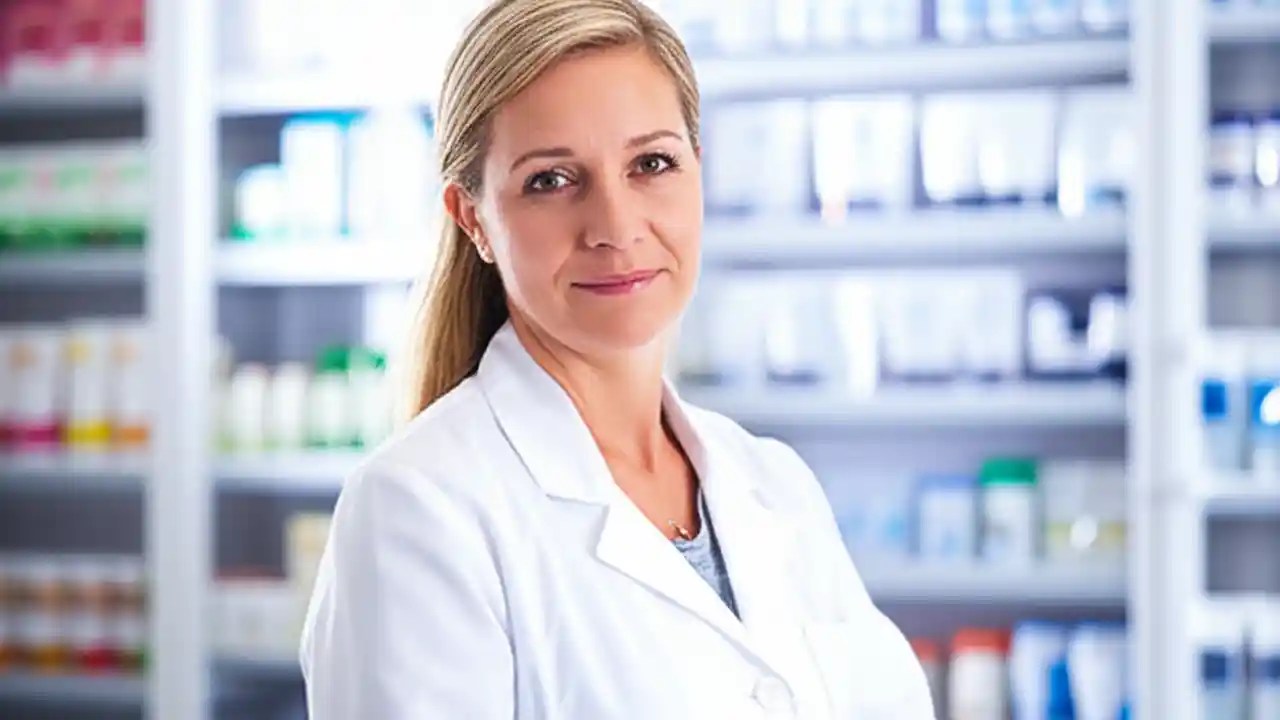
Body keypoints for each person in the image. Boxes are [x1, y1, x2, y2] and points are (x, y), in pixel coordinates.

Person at [300, 0, 933, 717]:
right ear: (472, 217)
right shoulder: (418, 508)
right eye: (551, 180)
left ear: (699, 169)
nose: (616, 226)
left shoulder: (774, 483)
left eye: (651, 163)